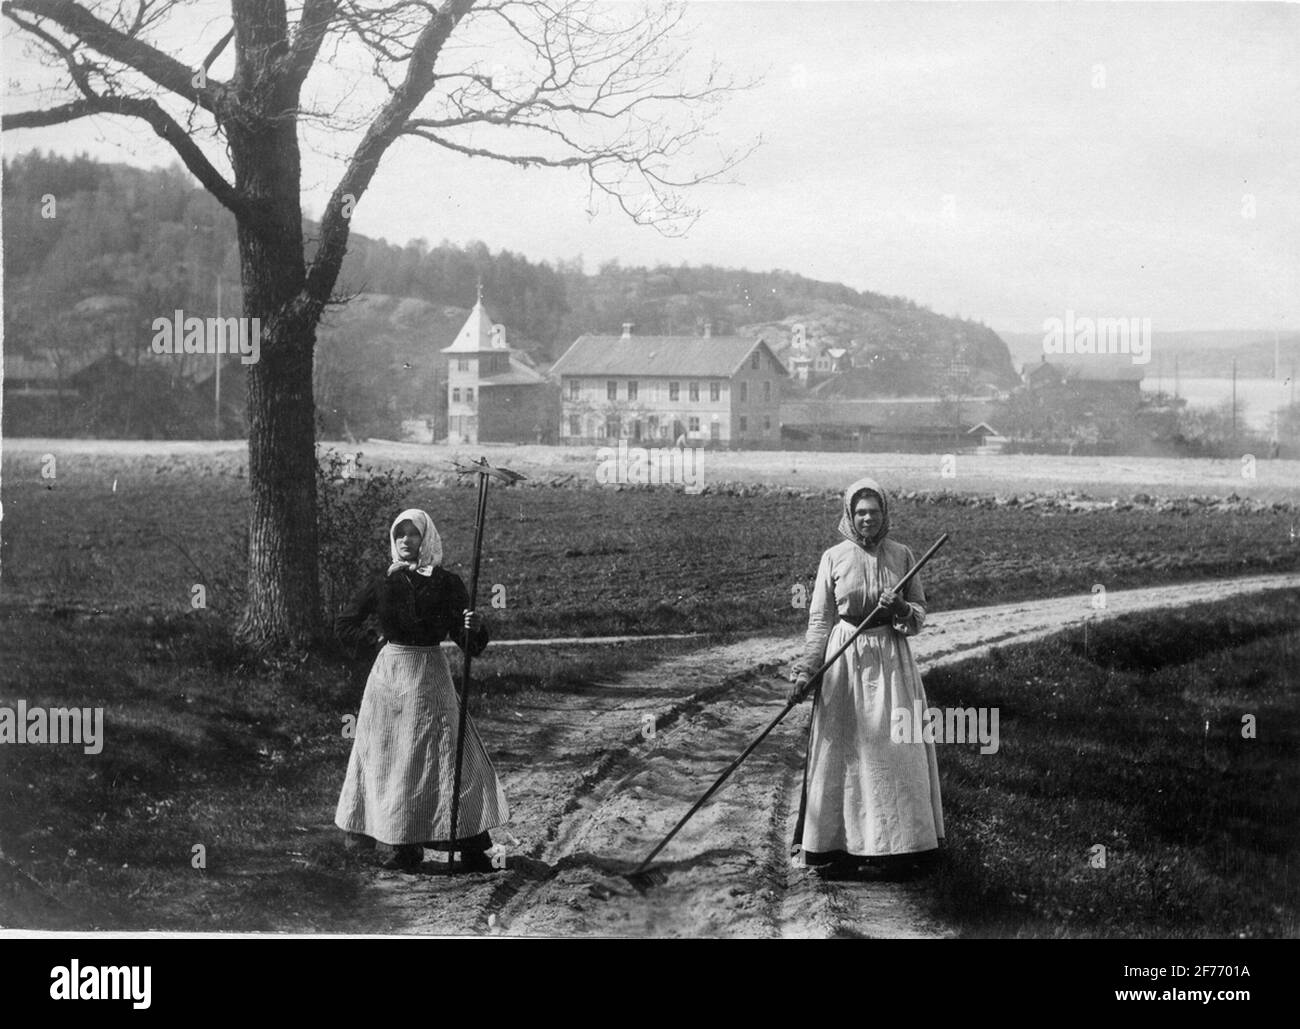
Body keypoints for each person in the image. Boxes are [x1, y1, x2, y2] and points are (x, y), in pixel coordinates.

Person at [334, 508, 509, 872]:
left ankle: (468, 844)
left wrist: (474, 627)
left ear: (426, 538)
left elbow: (468, 644)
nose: (405, 540)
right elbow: (345, 623)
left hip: (430, 675)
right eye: (400, 533)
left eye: (413, 534)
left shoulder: (447, 584)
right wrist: (375, 640)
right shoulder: (382, 581)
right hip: (388, 680)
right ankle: (398, 845)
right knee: (388, 758)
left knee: (446, 757)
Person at [788, 476, 944, 879]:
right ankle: (837, 849)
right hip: (844, 661)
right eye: (860, 513)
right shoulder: (833, 557)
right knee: (845, 751)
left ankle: (898, 849)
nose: (867, 519)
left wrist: (901, 611)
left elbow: (920, 612)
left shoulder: (903, 555)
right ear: (849, 516)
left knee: (893, 751)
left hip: (891, 660)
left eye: (873, 512)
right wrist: (807, 669)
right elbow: (820, 620)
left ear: (884, 514)